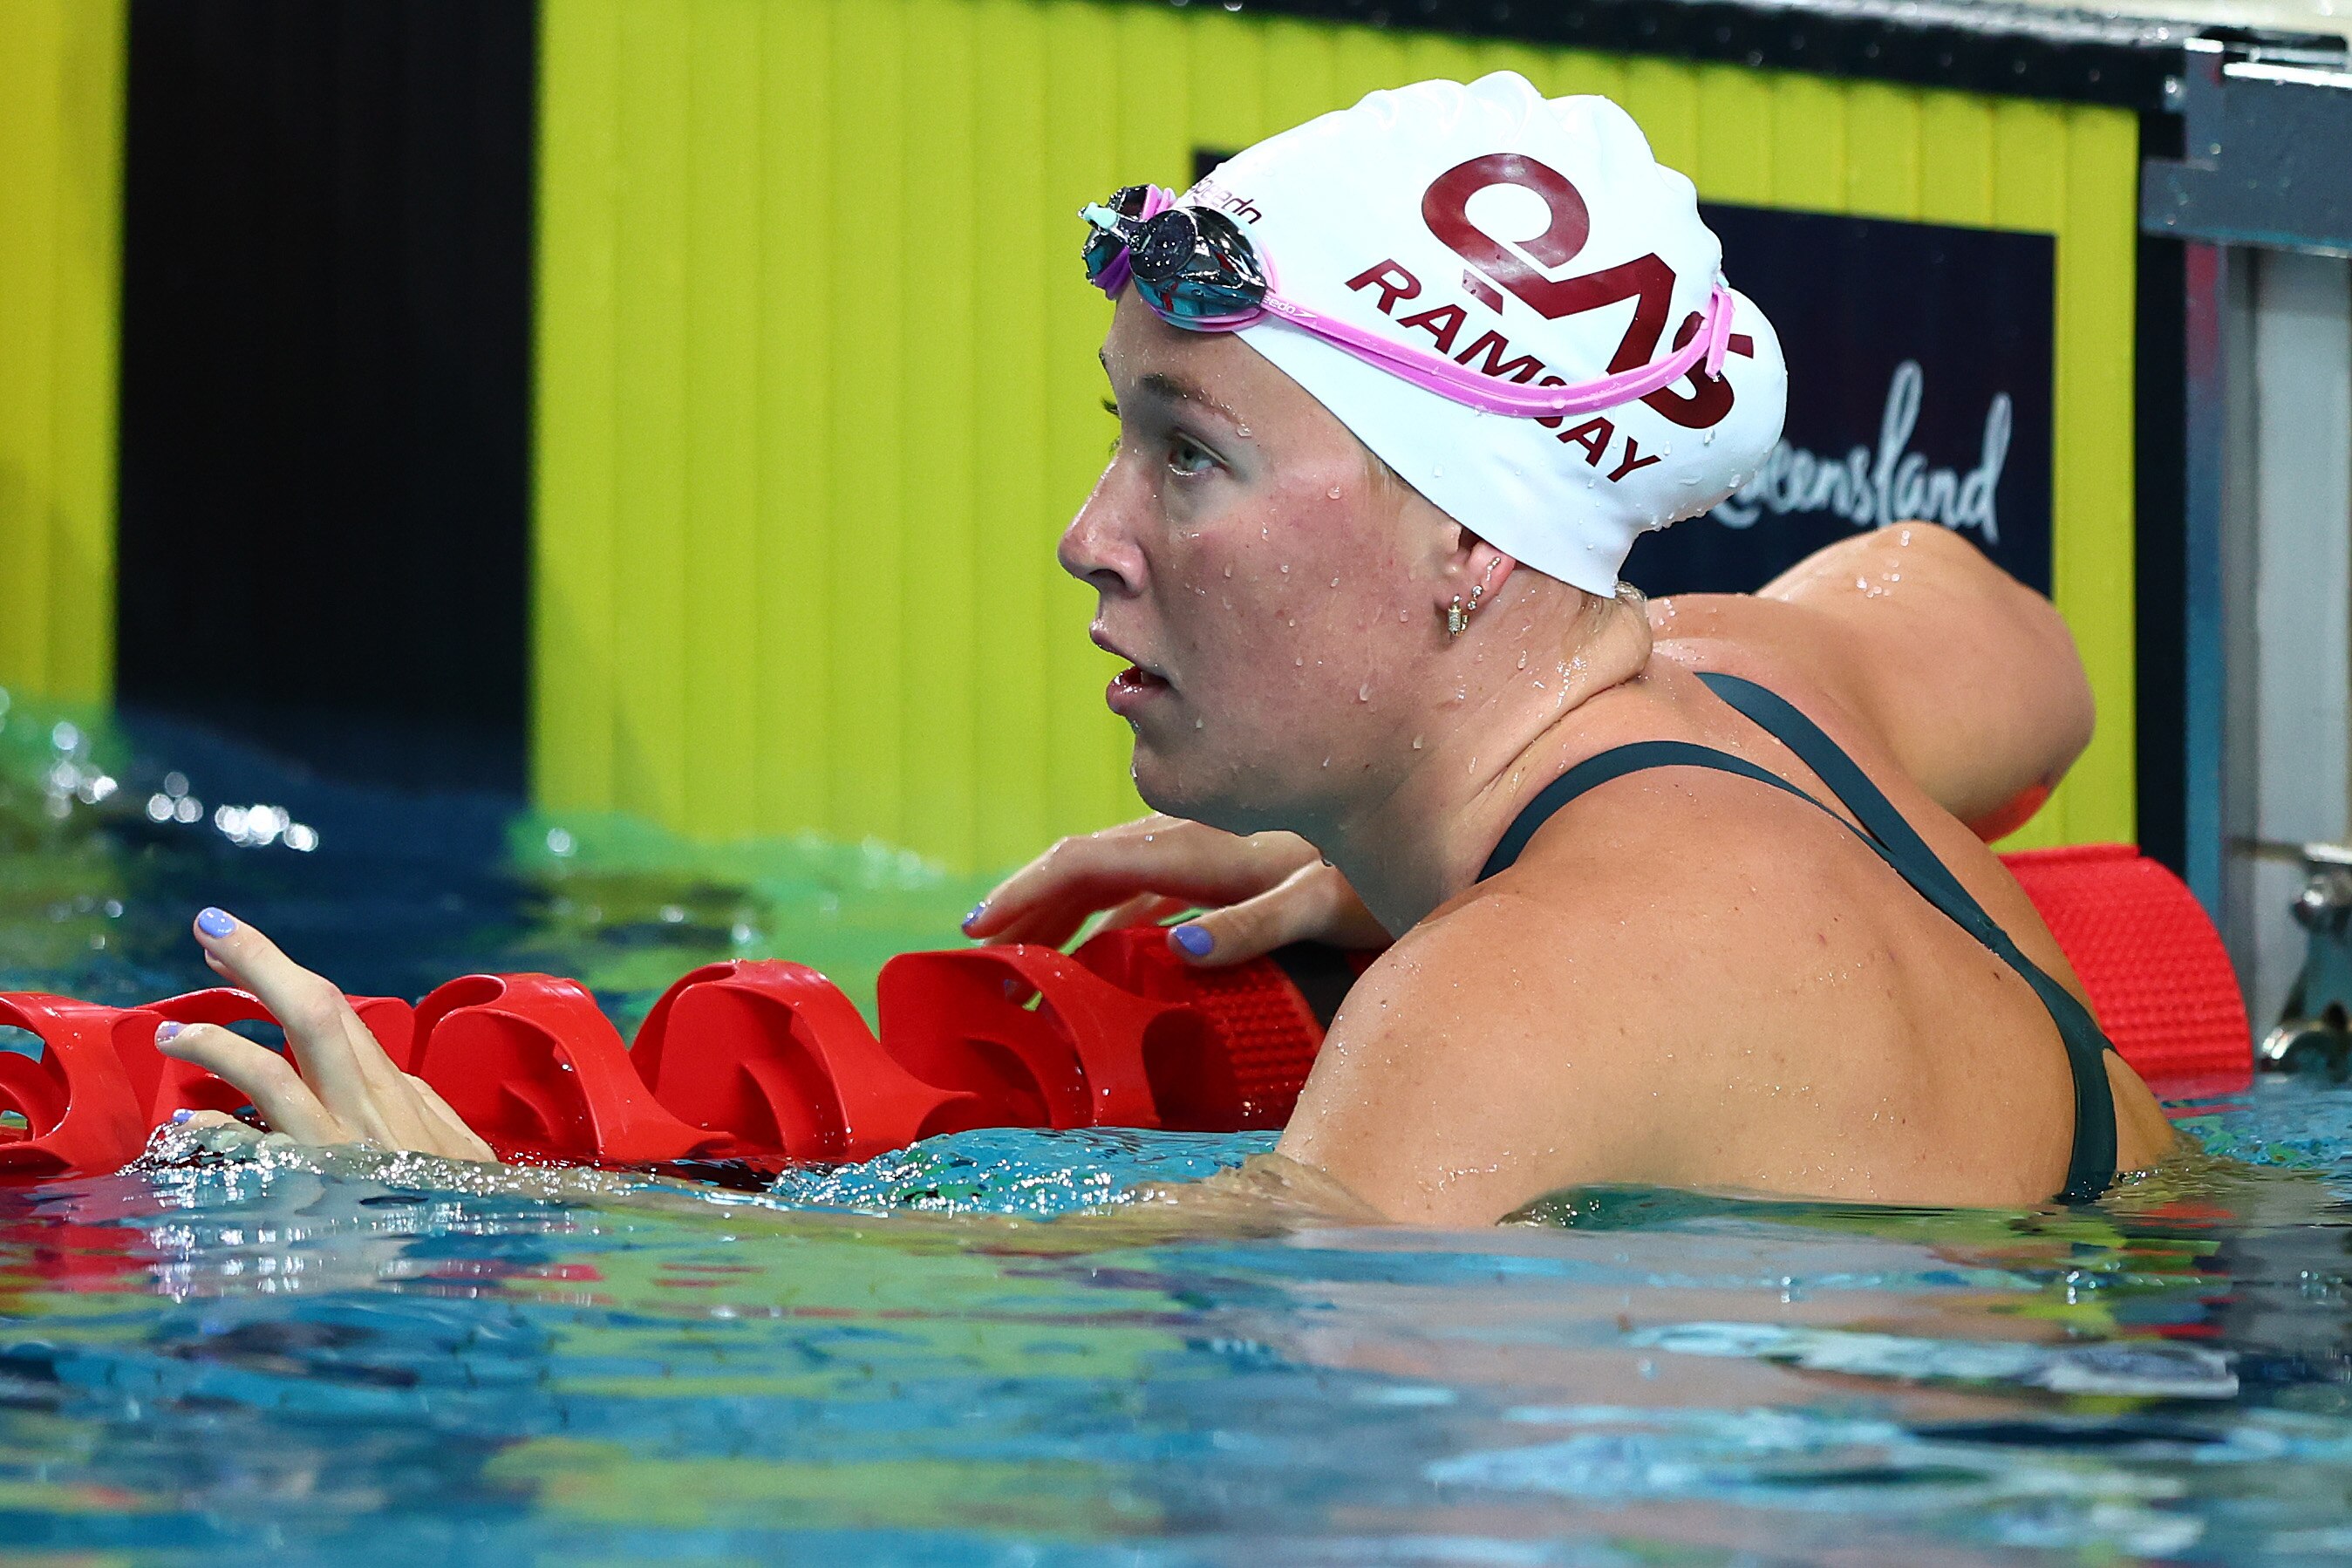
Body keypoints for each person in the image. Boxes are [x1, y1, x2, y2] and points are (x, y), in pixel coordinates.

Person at [155, 72, 2174, 1222]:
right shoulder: (1744, 673)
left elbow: (1003, 1300)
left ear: (1471, 535)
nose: (1087, 536)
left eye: (1184, 456)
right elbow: (2011, 643)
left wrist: (462, 1211)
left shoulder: (1499, 1014)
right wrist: (1390, 832)